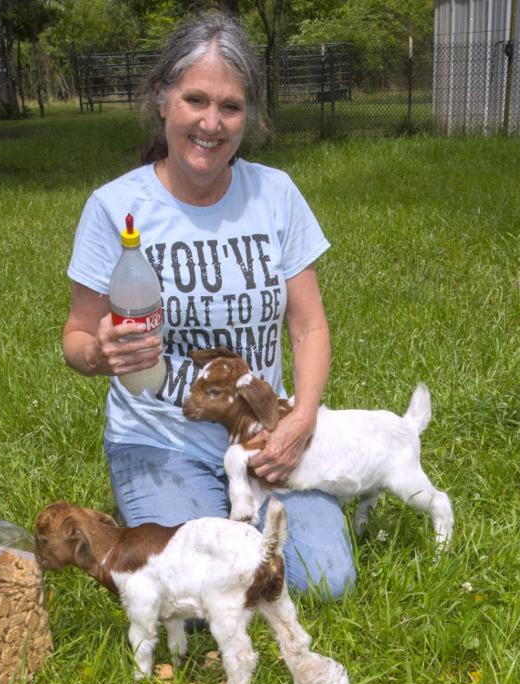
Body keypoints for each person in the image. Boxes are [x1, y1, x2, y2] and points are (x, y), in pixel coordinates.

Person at [62, 12, 355, 599]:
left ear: (250, 116)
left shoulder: (276, 194)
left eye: (230, 107)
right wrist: (99, 353)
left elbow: (309, 324)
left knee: (326, 581)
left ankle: (224, 512)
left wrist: (300, 420)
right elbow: (75, 335)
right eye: (196, 100)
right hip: (160, 439)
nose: (211, 123)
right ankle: (162, 503)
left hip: (262, 438)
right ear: (163, 101)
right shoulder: (114, 206)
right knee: (198, 594)